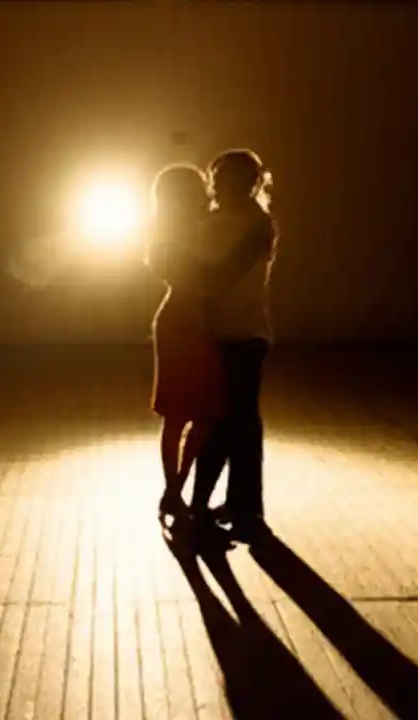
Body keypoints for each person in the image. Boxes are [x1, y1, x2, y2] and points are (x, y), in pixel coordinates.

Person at [190, 149, 278, 542]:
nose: (223, 184)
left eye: (231, 177)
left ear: (250, 183)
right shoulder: (215, 221)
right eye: (220, 177)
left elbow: (226, 271)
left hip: (242, 333)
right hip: (222, 331)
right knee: (238, 423)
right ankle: (242, 506)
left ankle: (229, 506)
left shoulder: (258, 224)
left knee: (231, 422)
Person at [145, 163, 228, 526]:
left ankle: (174, 487)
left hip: (184, 318)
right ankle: (174, 488)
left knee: (187, 415)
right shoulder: (185, 234)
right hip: (188, 320)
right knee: (192, 413)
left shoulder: (166, 235)